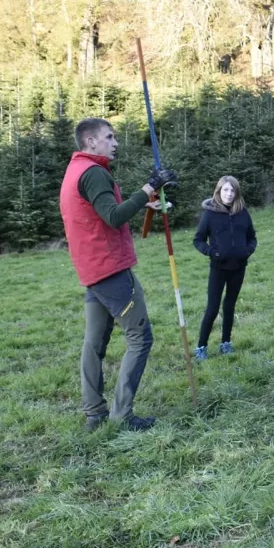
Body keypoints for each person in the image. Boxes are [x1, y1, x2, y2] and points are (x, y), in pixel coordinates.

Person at [59, 117, 175, 432]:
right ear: (90, 141)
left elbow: (99, 217)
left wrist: (146, 203)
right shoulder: (94, 173)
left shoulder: (76, 170)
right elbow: (111, 217)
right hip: (109, 269)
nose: (116, 143)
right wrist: (149, 188)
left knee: (94, 342)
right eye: (109, 137)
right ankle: (121, 416)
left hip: (91, 269)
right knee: (140, 338)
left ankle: (94, 415)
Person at [192, 175, 256, 360]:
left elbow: (252, 237)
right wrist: (213, 253)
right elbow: (198, 240)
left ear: (237, 193)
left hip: (239, 267)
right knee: (212, 308)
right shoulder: (210, 214)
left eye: (232, 190)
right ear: (218, 192)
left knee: (230, 305)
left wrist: (248, 250)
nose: (229, 194)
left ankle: (225, 343)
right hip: (218, 268)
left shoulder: (243, 212)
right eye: (225, 190)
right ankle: (201, 347)